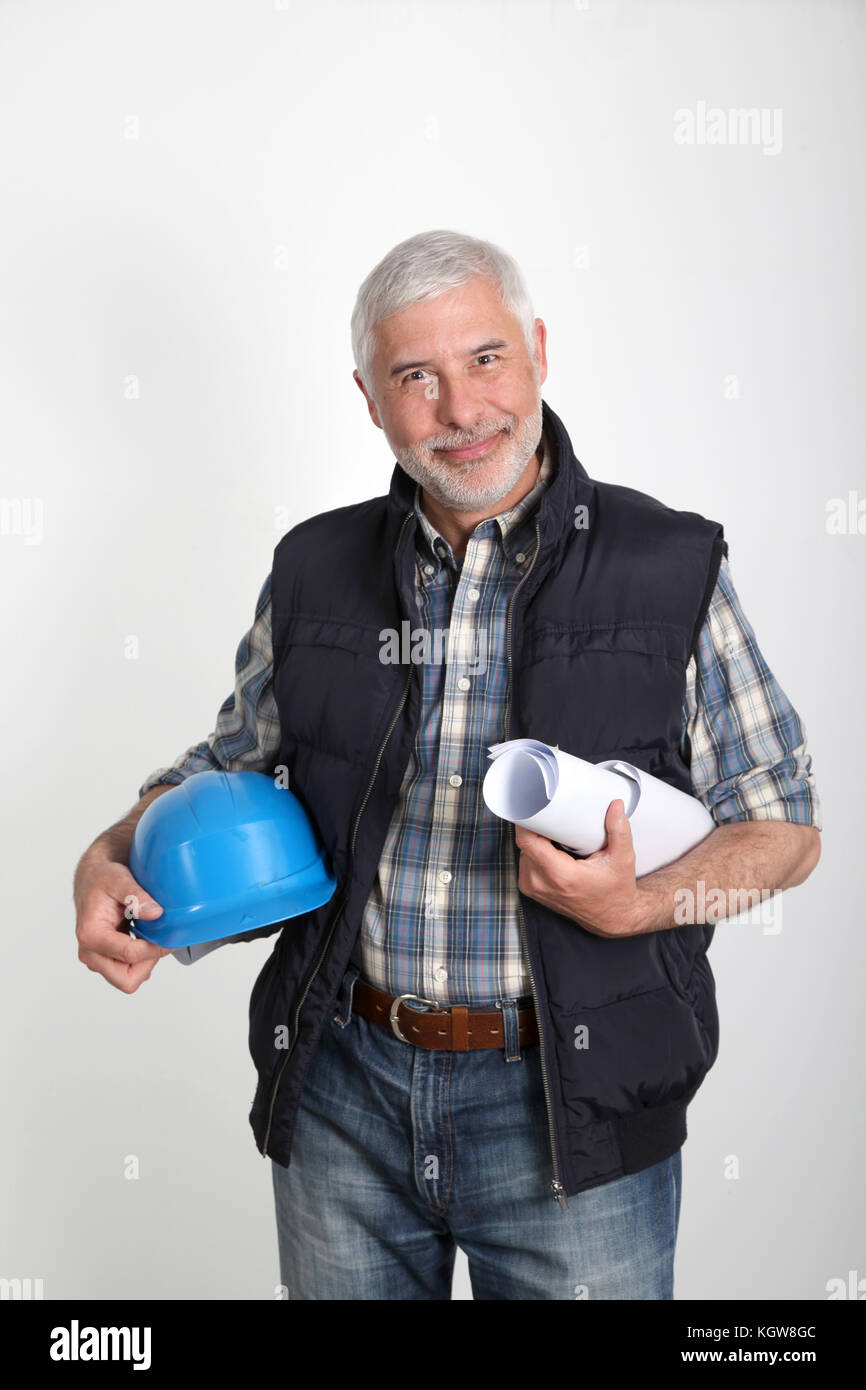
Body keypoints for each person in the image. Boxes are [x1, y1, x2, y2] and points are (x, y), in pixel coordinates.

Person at [73, 229, 821, 1300]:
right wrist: (108, 853)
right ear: (369, 398)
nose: (462, 412)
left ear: (538, 351)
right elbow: (228, 765)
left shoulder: (670, 567)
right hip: (344, 1095)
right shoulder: (312, 570)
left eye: (484, 360)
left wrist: (641, 902)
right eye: (414, 376)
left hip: (572, 1109)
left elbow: (782, 822)